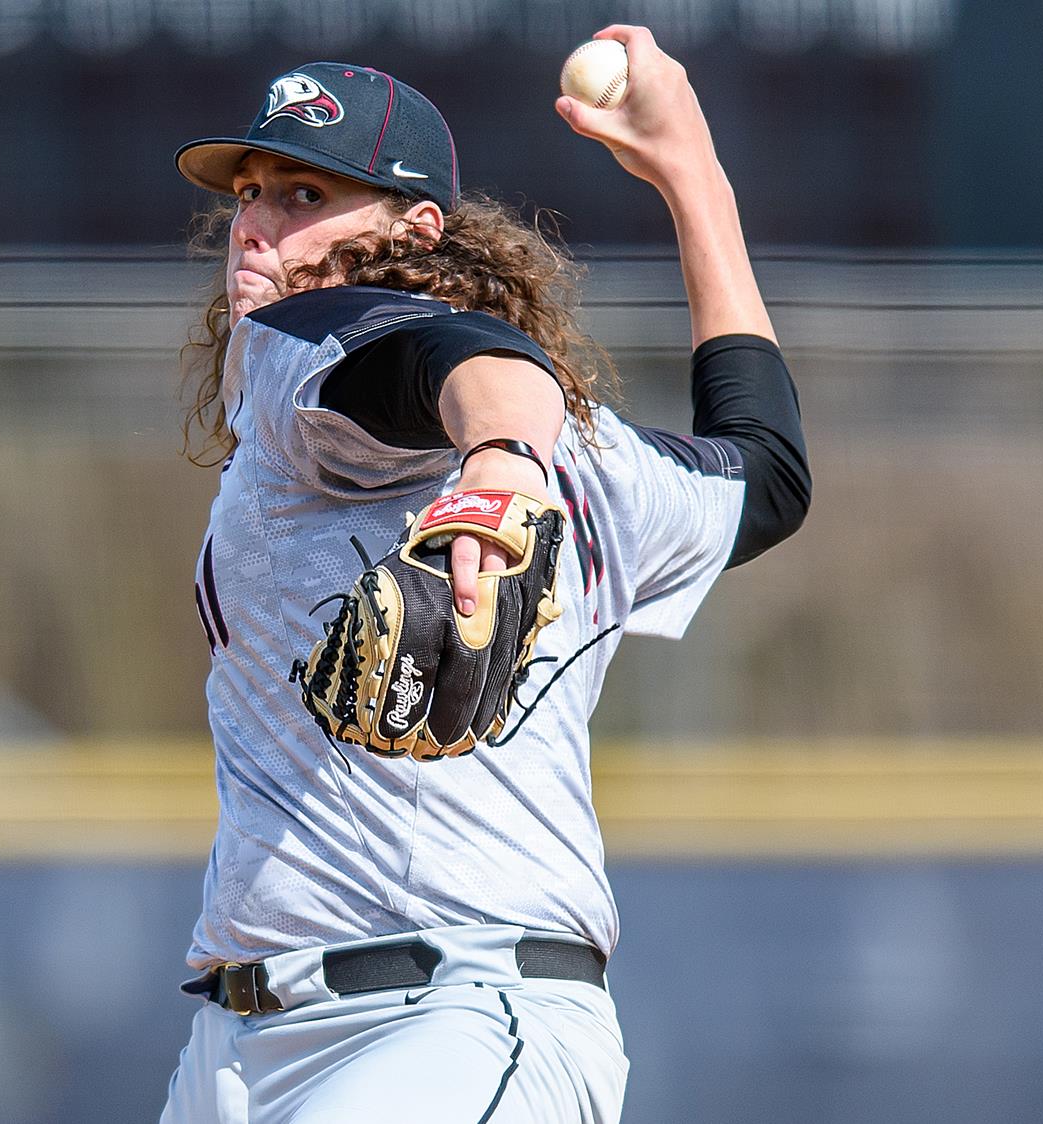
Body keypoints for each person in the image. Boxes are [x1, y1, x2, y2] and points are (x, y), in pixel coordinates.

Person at [161, 25, 809, 1124]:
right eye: (253, 190)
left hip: (447, 1024)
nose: (258, 225)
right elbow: (764, 469)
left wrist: (500, 463)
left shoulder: (300, 352)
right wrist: (693, 177)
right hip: (242, 1048)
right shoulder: (597, 457)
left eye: (306, 194)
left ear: (412, 229)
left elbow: (453, 360)